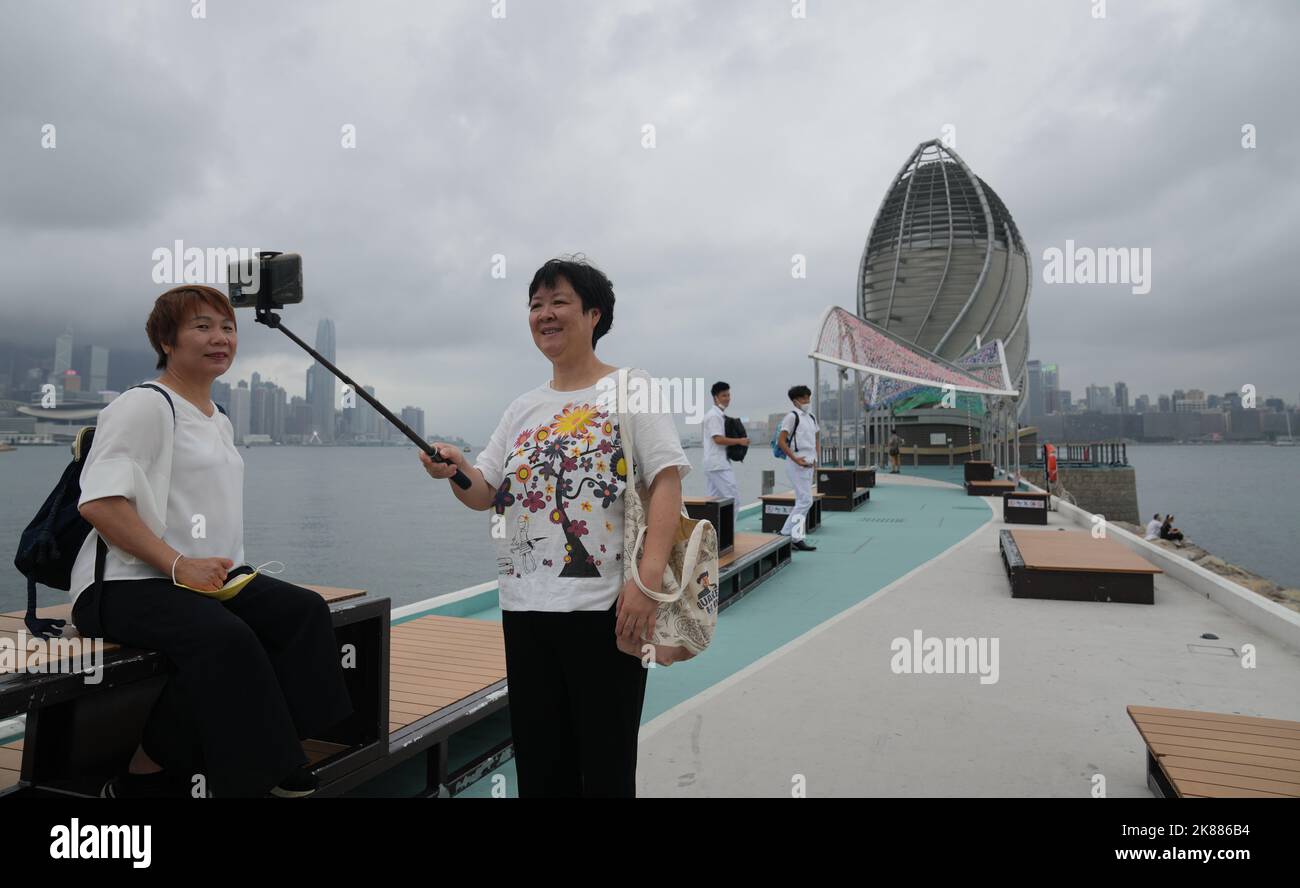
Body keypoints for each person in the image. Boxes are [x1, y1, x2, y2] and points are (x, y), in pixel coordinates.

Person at [419, 257, 690, 798]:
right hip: (525, 610)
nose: (545, 314)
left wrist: (647, 581)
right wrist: (454, 469)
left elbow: (666, 481)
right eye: (536, 305)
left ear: (594, 314)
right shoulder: (523, 407)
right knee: (542, 771)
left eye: (558, 301)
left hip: (607, 613)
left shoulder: (628, 386)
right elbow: (486, 492)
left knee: (606, 770)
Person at [71, 285, 353, 798]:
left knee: (303, 613)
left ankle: (280, 742)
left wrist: (206, 572)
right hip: (124, 584)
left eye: (227, 327)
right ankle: (248, 774)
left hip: (199, 582)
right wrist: (179, 565)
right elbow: (99, 504)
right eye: (202, 327)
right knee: (227, 639)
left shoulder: (217, 417)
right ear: (167, 340)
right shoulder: (144, 405)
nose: (219, 337)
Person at [776, 385, 819, 551]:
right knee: (806, 500)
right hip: (796, 462)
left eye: (808, 397)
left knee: (802, 500)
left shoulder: (811, 418)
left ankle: (796, 536)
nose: (807, 401)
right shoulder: (792, 417)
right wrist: (795, 459)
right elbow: (782, 441)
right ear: (795, 401)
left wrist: (816, 457)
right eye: (803, 398)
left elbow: (815, 438)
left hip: (809, 462)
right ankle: (787, 533)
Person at [702, 381, 748, 503]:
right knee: (733, 499)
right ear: (715, 397)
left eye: (728, 395)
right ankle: (730, 523)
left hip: (715, 463)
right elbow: (718, 439)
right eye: (724, 395)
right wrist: (740, 441)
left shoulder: (719, 415)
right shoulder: (714, 416)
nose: (727, 398)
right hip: (718, 465)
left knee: (713, 501)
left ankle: (713, 522)